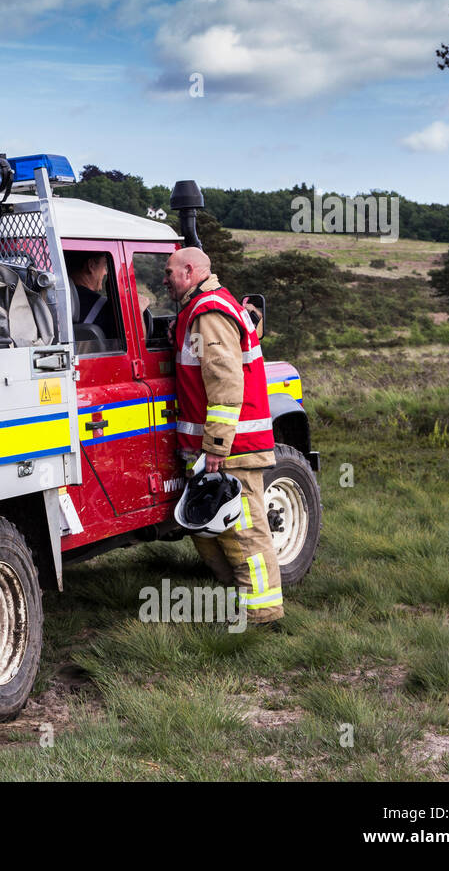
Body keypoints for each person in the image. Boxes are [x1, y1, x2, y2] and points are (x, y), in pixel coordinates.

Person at [162, 247, 284, 624]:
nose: (164, 279)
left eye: (168, 272)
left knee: (243, 533)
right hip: (215, 449)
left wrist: (215, 447)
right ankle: (240, 600)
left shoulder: (209, 313)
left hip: (232, 448)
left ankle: (262, 612)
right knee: (208, 529)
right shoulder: (200, 310)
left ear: (189, 270)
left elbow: (225, 383)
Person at [64, 251, 118, 339]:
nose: (105, 272)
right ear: (91, 266)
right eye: (104, 265)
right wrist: (139, 309)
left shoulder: (51, 300)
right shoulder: (107, 309)